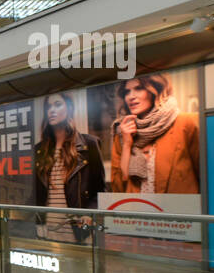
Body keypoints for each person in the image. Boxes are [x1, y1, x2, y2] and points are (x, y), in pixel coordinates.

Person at [110, 74, 200, 195]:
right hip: (137, 211)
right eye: (127, 92)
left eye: (139, 88)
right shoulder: (123, 132)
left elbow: (206, 176)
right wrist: (127, 145)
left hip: (178, 211)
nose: (131, 96)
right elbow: (118, 189)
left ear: (155, 90)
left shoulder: (185, 123)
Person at [35, 92, 105, 242]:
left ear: (69, 108)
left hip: (77, 229)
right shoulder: (40, 150)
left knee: (78, 264)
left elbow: (99, 189)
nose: (51, 110)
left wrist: (88, 214)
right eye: (48, 107)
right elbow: (36, 193)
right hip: (47, 229)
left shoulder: (89, 144)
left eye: (58, 105)